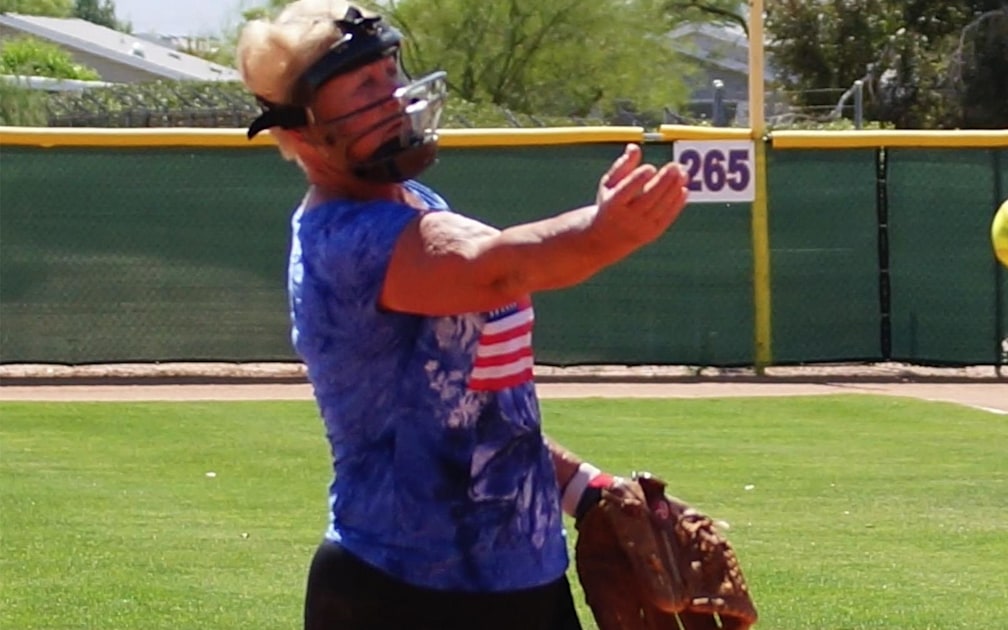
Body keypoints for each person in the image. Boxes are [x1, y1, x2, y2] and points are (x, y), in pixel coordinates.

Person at [235, 1, 689, 628]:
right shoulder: (346, 240)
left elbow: (477, 416)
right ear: (303, 130)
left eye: (389, 70)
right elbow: (496, 269)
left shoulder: (415, 202)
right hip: (401, 589)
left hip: (524, 578)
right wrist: (602, 231)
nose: (393, 93)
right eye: (364, 84)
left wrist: (586, 490)